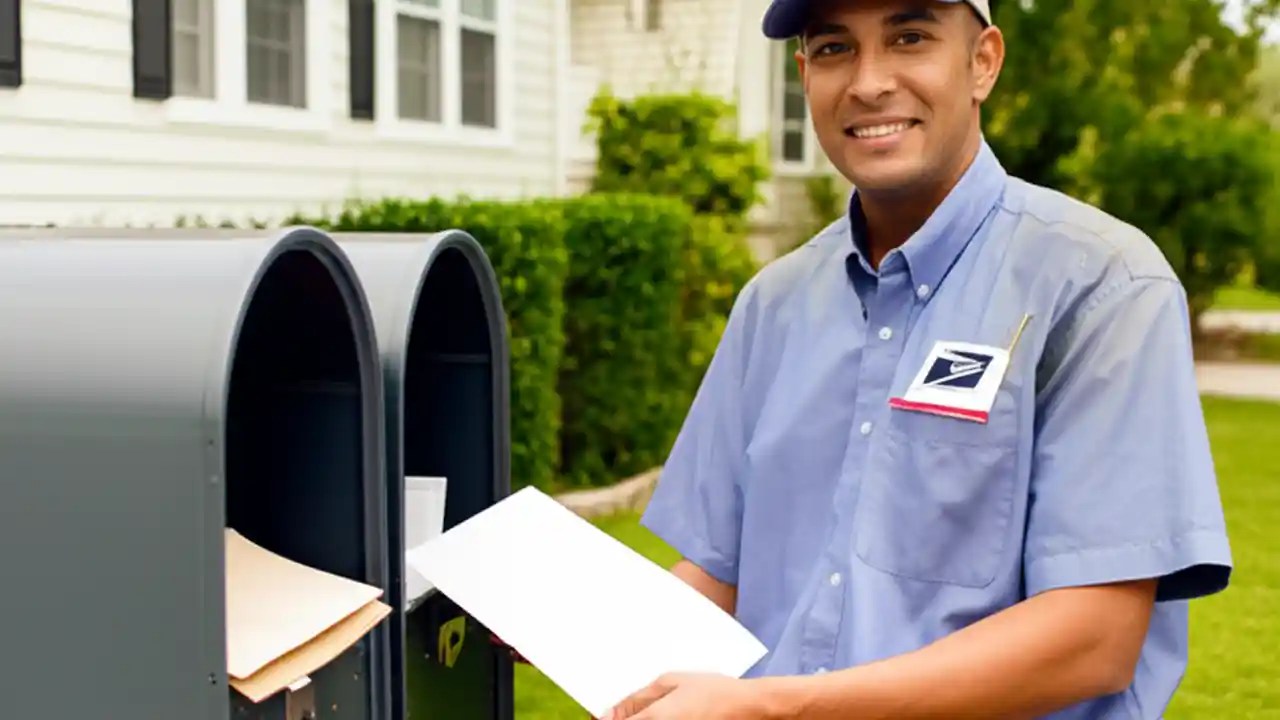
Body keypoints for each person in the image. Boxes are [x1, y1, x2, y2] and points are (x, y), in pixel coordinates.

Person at [603, 0, 1234, 717]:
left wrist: (775, 706)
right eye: (836, 48)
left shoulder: (1100, 284)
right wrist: (588, 631)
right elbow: (721, 574)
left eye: (909, 38)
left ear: (983, 62)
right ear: (805, 75)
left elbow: (1094, 636)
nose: (869, 82)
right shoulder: (773, 304)